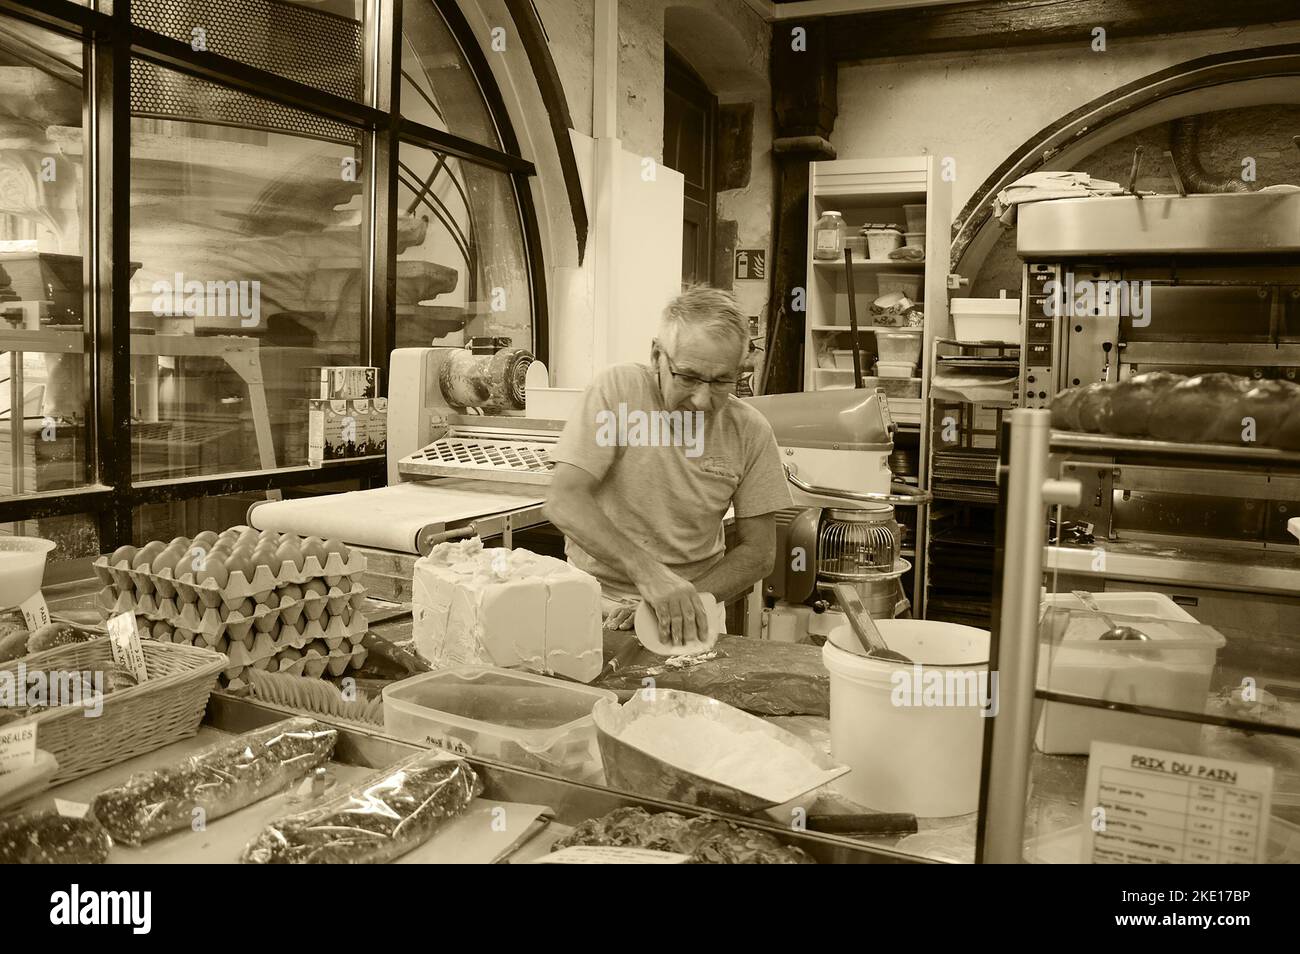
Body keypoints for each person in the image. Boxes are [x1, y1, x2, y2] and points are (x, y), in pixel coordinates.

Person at [544, 286, 793, 646]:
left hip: (693, 606)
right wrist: (649, 576)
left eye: (723, 380)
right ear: (657, 355)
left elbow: (759, 554)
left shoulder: (750, 431)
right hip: (593, 598)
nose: (703, 400)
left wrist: (678, 599)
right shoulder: (618, 392)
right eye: (688, 377)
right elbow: (564, 500)